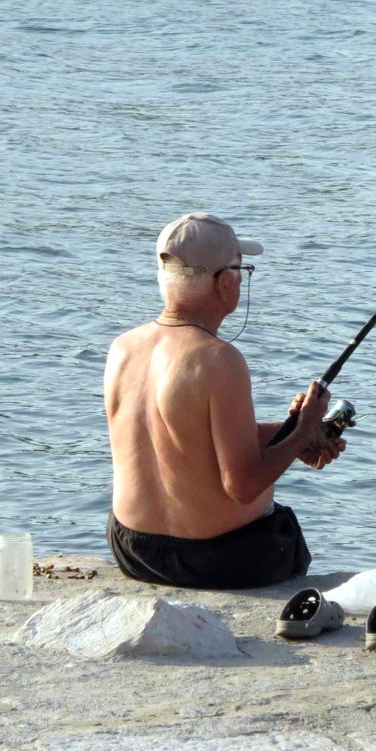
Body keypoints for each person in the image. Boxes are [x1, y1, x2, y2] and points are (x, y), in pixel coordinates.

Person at [104, 213, 344, 590]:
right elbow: (243, 486)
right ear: (225, 281)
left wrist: (295, 431)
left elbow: (184, 439)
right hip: (216, 561)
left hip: (133, 550)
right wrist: (301, 435)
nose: (241, 280)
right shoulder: (217, 359)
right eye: (241, 270)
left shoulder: (123, 348)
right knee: (282, 528)